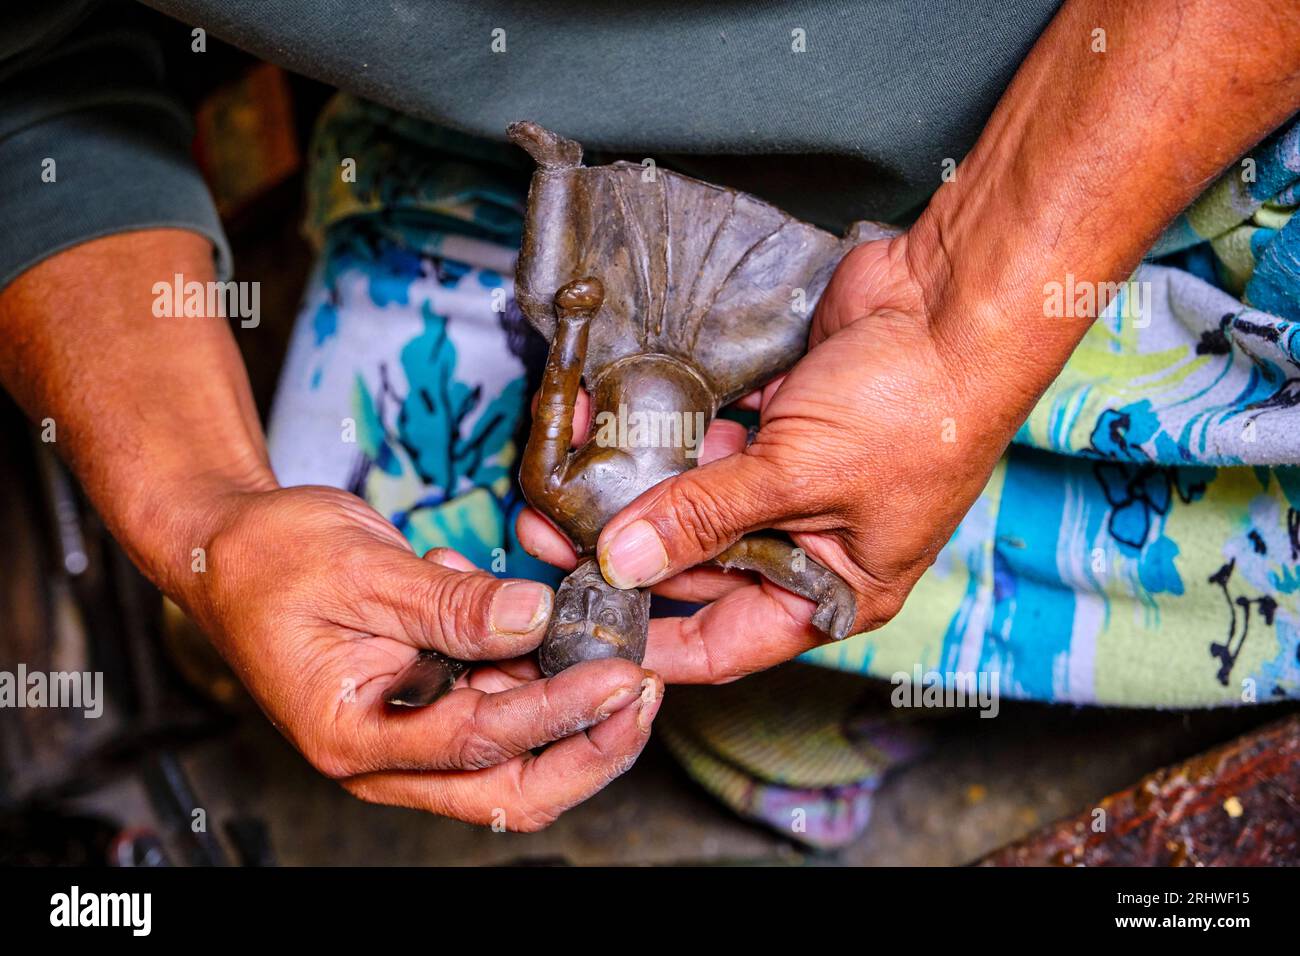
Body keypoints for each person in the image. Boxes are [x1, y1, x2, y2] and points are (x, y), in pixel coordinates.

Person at [1, 0, 1298, 833]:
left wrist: (975, 321)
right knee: (384, 523)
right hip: (551, 161)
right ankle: (820, 700)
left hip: (1130, 110)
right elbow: (34, 82)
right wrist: (207, 515)